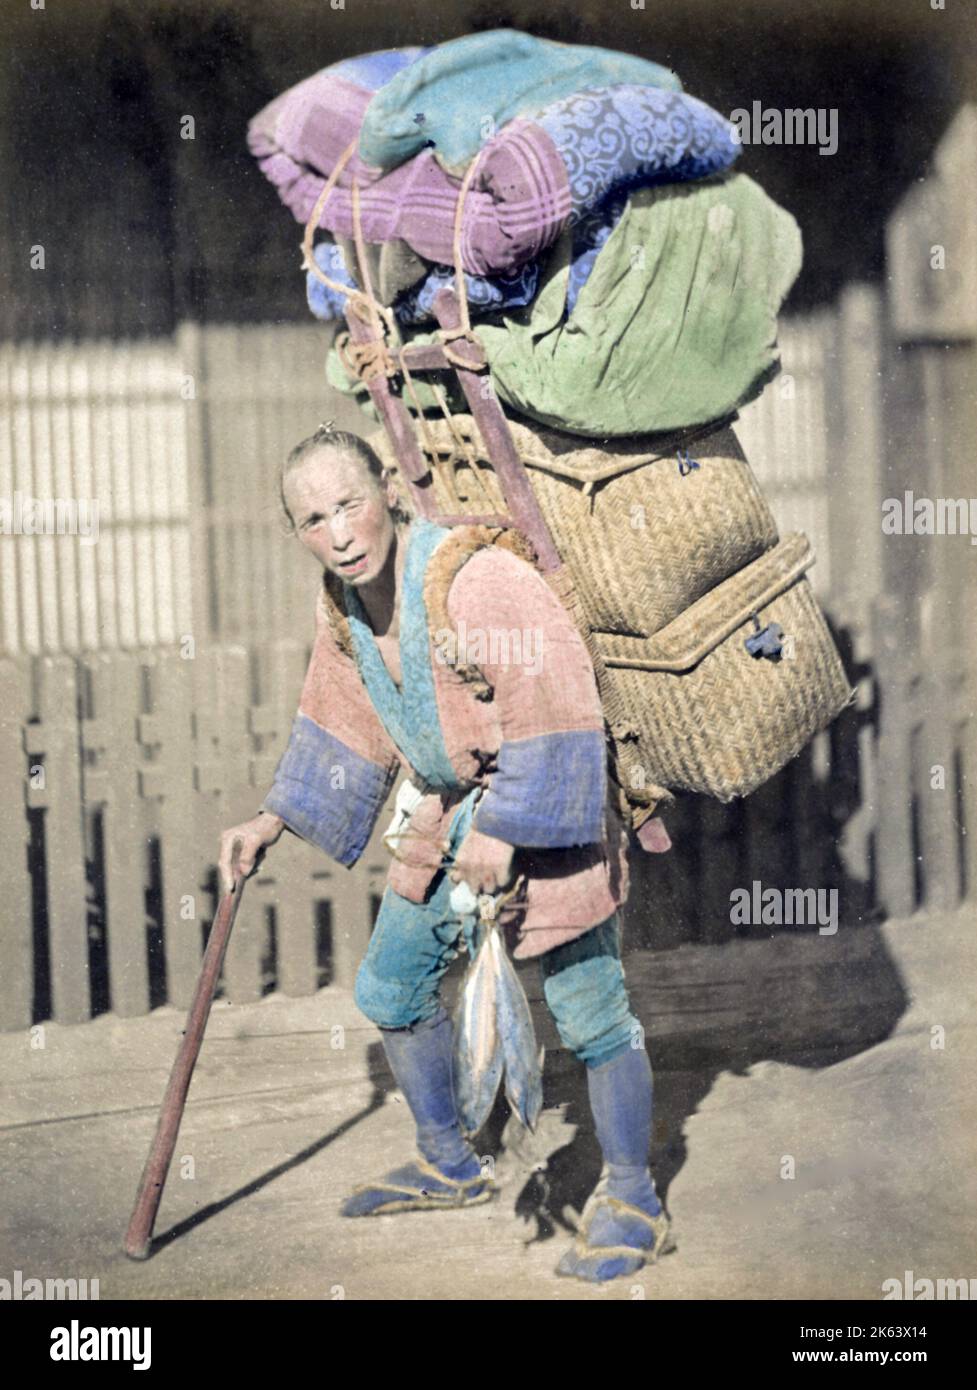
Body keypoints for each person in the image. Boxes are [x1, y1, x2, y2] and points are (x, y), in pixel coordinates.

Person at [218, 424, 672, 1282]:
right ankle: (449, 1162)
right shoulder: (344, 609)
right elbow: (341, 723)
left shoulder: (476, 577)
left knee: (589, 1010)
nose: (339, 534)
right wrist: (269, 821)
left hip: (546, 803)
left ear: (388, 489)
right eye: (312, 520)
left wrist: (505, 828)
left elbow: (555, 698)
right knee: (389, 985)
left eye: (349, 504)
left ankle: (633, 1198)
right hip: (448, 814)